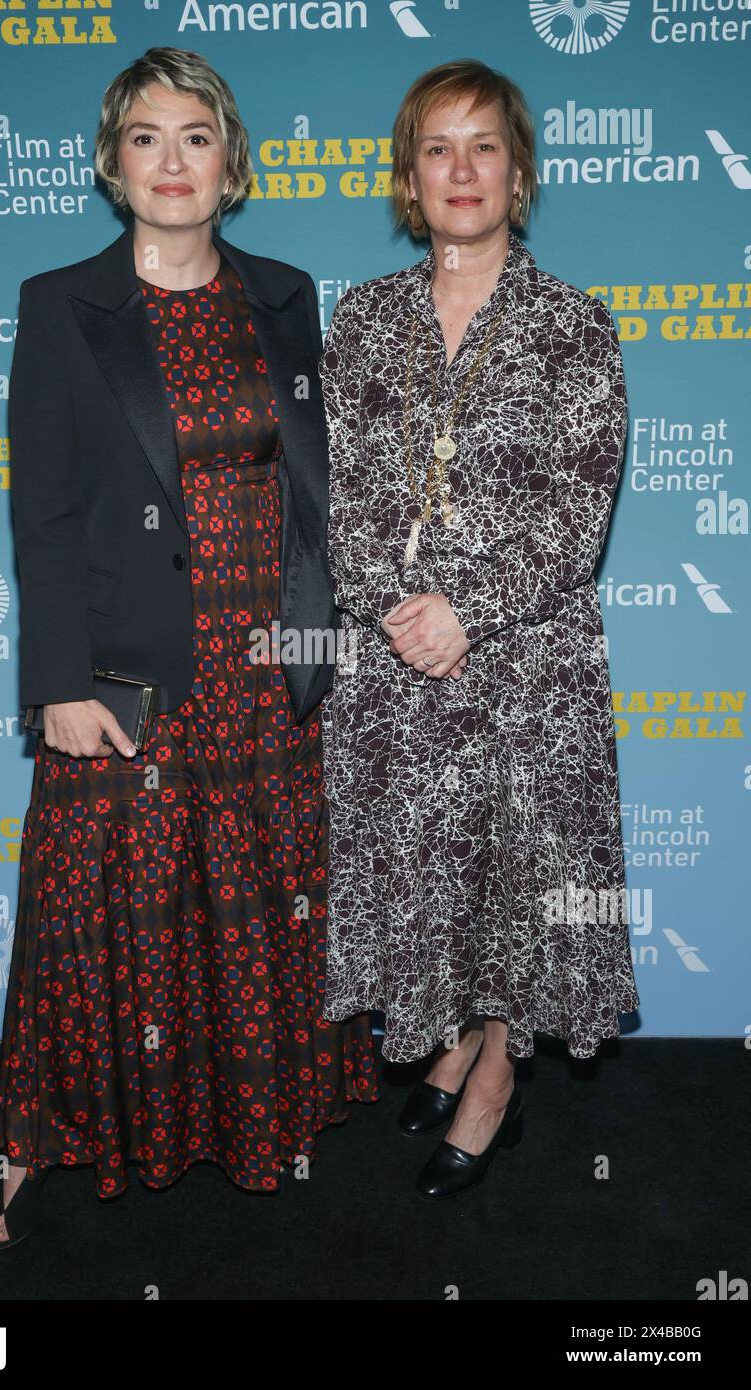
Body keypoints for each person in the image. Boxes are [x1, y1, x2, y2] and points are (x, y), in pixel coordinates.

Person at [0, 46, 378, 1250]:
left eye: (194, 136)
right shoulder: (61, 305)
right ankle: (46, 1139)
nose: (170, 161)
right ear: (112, 164)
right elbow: (40, 513)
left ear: (230, 161)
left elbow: (317, 500)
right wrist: (54, 682)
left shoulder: (285, 294)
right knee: (103, 909)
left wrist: (323, 653)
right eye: (144, 137)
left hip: (268, 672)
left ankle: (260, 1127)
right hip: (130, 677)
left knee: (262, 898)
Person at [318, 59, 640, 1200]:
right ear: (409, 176)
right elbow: (336, 492)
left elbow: (576, 508)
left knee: (521, 874)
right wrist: (394, 611)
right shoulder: (358, 320)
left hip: (528, 667)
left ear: (519, 169)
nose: (461, 170)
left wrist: (470, 610)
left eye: (483, 146)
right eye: (436, 148)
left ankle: (498, 1073)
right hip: (393, 662)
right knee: (431, 875)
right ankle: (446, 1040)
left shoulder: (572, 325)